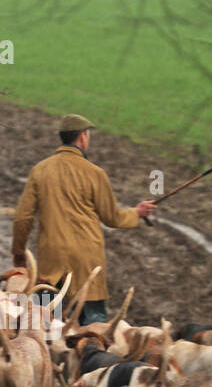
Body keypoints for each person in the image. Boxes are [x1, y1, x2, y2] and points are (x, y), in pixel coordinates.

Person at [11, 114, 157, 325]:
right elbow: (112, 217)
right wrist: (137, 212)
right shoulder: (95, 173)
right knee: (93, 327)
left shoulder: (40, 170)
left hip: (50, 263)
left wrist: (18, 253)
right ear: (82, 137)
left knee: (43, 325)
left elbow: (22, 217)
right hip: (87, 264)